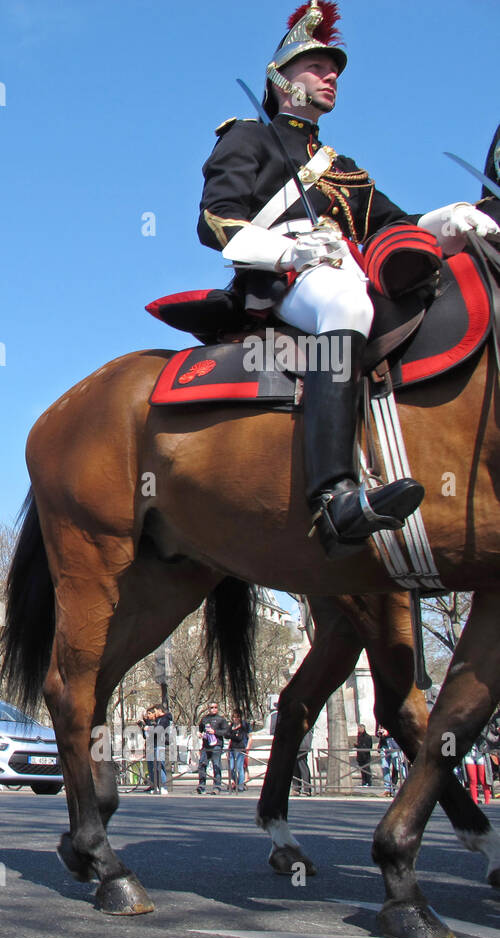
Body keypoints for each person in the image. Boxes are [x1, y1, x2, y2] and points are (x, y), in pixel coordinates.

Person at [198, 1, 498, 557]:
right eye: (316, 65)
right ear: (280, 79)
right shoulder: (247, 138)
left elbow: (396, 224)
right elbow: (216, 220)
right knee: (345, 303)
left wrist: (454, 216)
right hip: (287, 281)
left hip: (346, 272)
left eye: (335, 68)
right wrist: (290, 253)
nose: (331, 74)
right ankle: (333, 495)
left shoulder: (345, 167)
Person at [197, 702, 230, 794]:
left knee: (216, 765)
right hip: (206, 745)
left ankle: (217, 786)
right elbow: (200, 730)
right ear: (208, 709)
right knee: (202, 764)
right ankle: (201, 786)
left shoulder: (221, 719)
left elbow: (226, 732)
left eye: (215, 707)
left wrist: (214, 731)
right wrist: (199, 734)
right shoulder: (204, 719)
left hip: (216, 745)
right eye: (211, 707)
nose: (213, 709)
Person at [143, 705, 171, 794]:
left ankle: (163, 786)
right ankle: (155, 786)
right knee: (152, 767)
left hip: (160, 744)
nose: (154, 714)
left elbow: (159, 730)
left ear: (159, 710)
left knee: (160, 765)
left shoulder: (164, 719)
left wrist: (150, 728)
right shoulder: (157, 720)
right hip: (152, 744)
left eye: (155, 711)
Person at [227, 710, 251, 792]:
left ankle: (240, 785)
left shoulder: (244, 726)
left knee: (239, 767)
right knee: (231, 767)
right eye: (234, 717)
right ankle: (235, 781)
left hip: (240, 748)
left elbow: (249, 737)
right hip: (232, 748)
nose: (236, 719)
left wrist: (247, 747)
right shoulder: (231, 726)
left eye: (237, 717)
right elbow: (229, 737)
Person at [355, 722, 374, 787]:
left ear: (362, 729)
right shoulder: (359, 736)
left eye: (359, 728)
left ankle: (369, 782)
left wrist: (359, 746)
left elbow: (369, 747)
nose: (358, 730)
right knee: (362, 770)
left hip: (366, 756)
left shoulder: (367, 737)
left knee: (367, 769)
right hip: (360, 756)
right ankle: (364, 782)